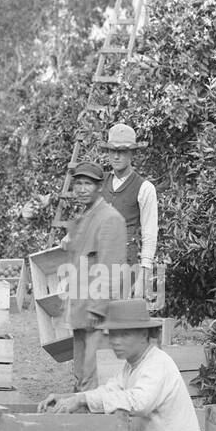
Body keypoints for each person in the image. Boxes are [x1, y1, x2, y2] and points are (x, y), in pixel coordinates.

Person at [40, 298, 204, 431]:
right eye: (113, 334)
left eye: (124, 334)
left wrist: (81, 399)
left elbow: (140, 402)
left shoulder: (157, 364)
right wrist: (69, 399)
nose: (116, 341)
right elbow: (109, 390)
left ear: (145, 335)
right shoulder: (132, 366)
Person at [61, 161, 127, 392]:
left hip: (95, 313)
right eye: (77, 183)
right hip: (81, 307)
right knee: (80, 373)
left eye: (87, 183)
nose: (81, 189)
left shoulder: (110, 218)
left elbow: (111, 268)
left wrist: (97, 309)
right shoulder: (86, 216)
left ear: (100, 186)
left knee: (93, 375)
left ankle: (93, 420)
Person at [99, 123, 158, 299]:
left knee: (121, 320)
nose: (116, 156)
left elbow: (149, 233)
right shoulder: (99, 182)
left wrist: (144, 274)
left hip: (125, 264)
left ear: (132, 153)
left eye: (122, 151)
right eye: (112, 151)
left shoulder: (145, 188)